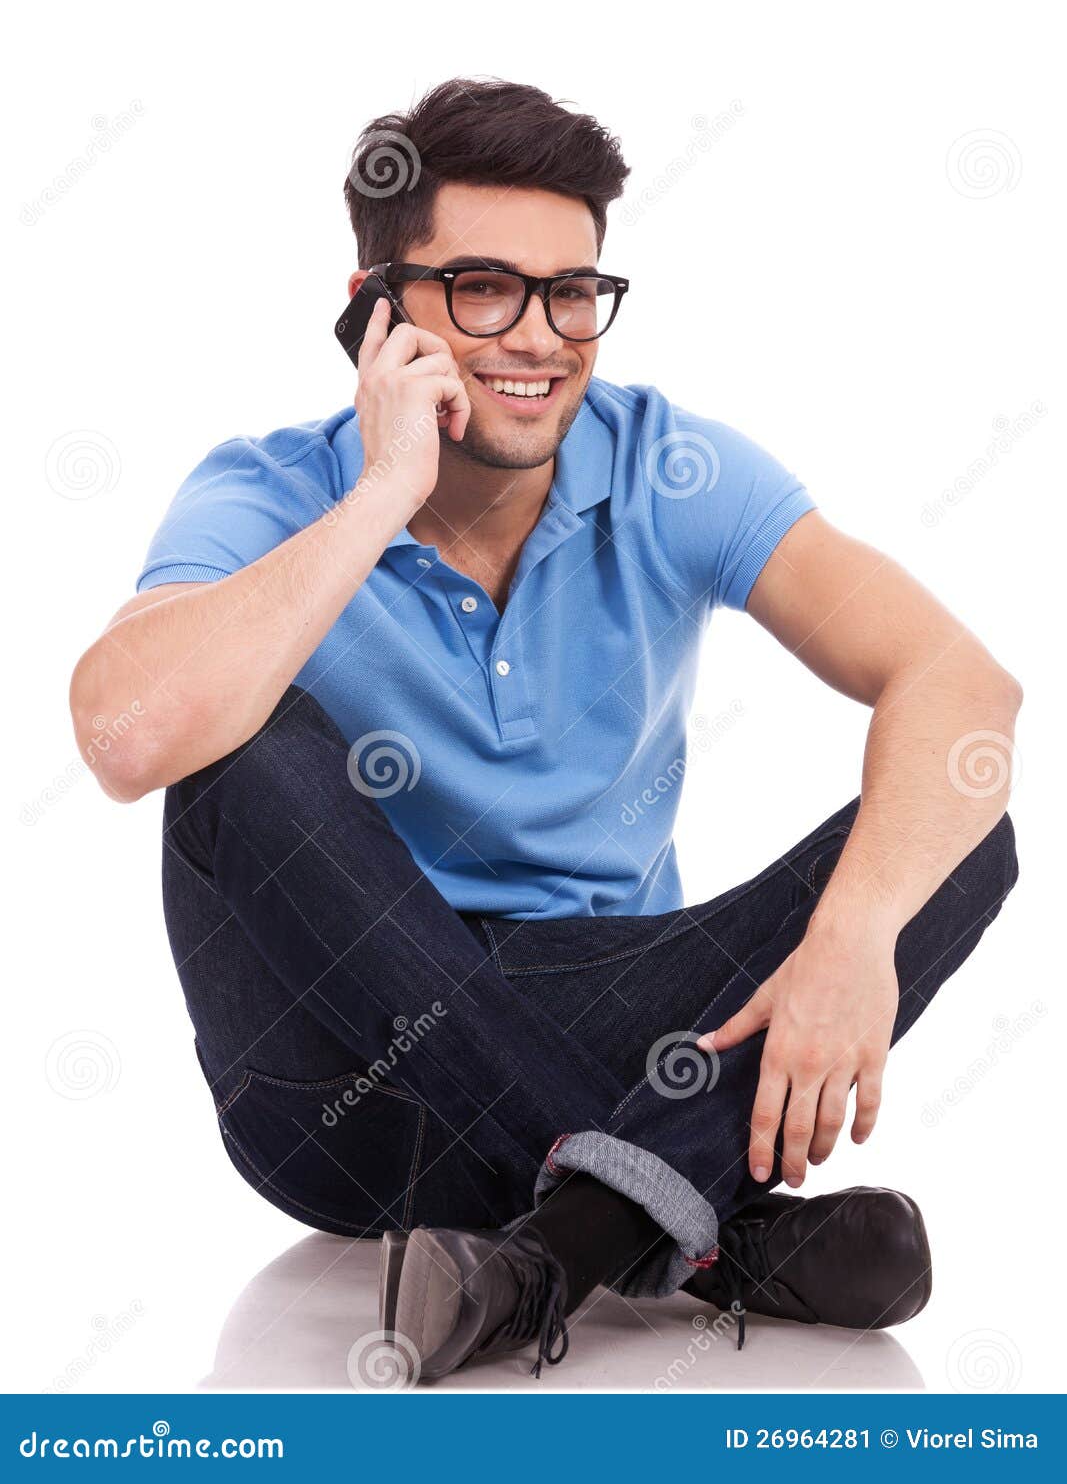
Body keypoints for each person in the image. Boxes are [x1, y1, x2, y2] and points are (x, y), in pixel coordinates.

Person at [70, 78, 1021, 1382]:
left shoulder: (668, 466)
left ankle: (549, 1251)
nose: (541, 335)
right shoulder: (270, 488)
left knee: (957, 821)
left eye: (572, 290)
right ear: (373, 309)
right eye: (482, 287)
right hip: (340, 1088)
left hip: (613, 1018)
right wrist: (383, 490)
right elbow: (127, 734)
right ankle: (697, 1239)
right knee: (238, 750)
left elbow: (962, 686)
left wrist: (853, 937)